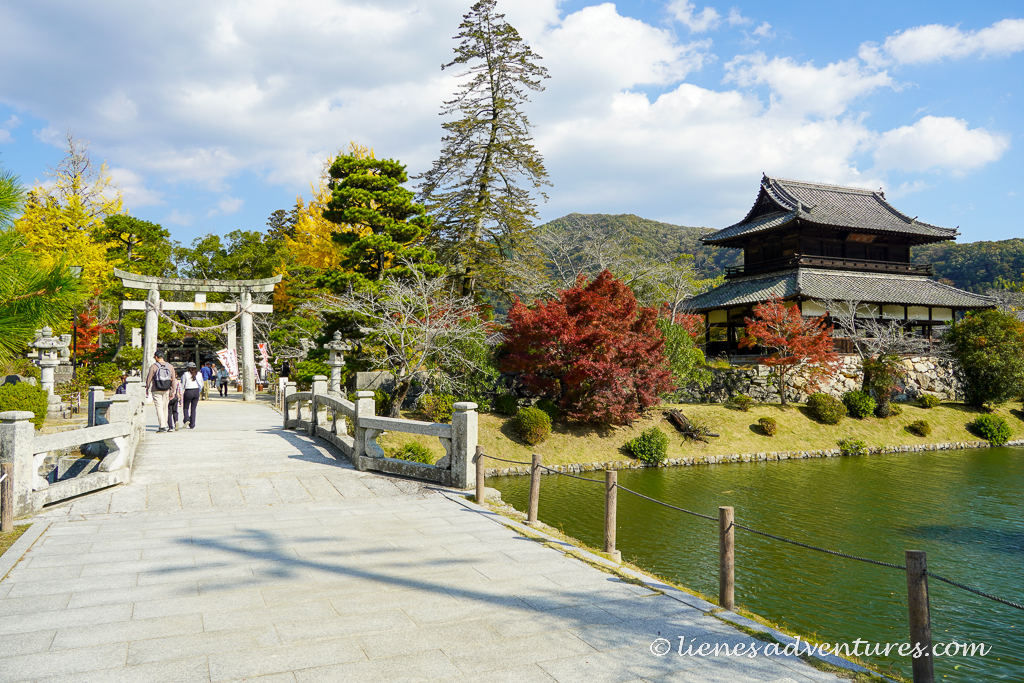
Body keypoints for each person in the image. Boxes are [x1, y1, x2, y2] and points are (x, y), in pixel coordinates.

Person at [145, 350, 176, 433]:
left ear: (156, 357)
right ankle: (164, 425)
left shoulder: (154, 366)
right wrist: (173, 391)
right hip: (166, 389)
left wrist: (146, 389)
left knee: (159, 407)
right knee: (165, 407)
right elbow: (173, 380)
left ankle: (162, 426)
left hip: (156, 389)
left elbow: (149, 378)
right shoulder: (170, 366)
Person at [180, 361, 203, 429]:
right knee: (193, 409)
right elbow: (201, 384)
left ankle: (186, 419)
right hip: (196, 391)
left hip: (188, 391)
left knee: (186, 407)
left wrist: (181, 392)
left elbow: (183, 384)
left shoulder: (186, 374)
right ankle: (192, 424)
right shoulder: (199, 374)